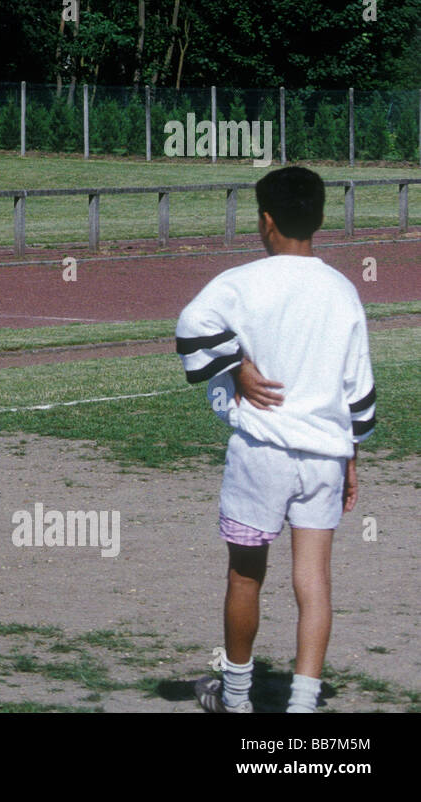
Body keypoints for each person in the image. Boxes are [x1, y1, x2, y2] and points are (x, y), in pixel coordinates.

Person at [176, 166, 376, 713]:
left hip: (260, 453)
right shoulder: (342, 289)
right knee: (314, 581)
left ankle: (236, 699)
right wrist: (351, 455)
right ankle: (303, 706)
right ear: (320, 217)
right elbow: (358, 388)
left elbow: (190, 327)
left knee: (245, 575)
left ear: (265, 222)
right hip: (324, 458)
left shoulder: (241, 282)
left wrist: (236, 365)